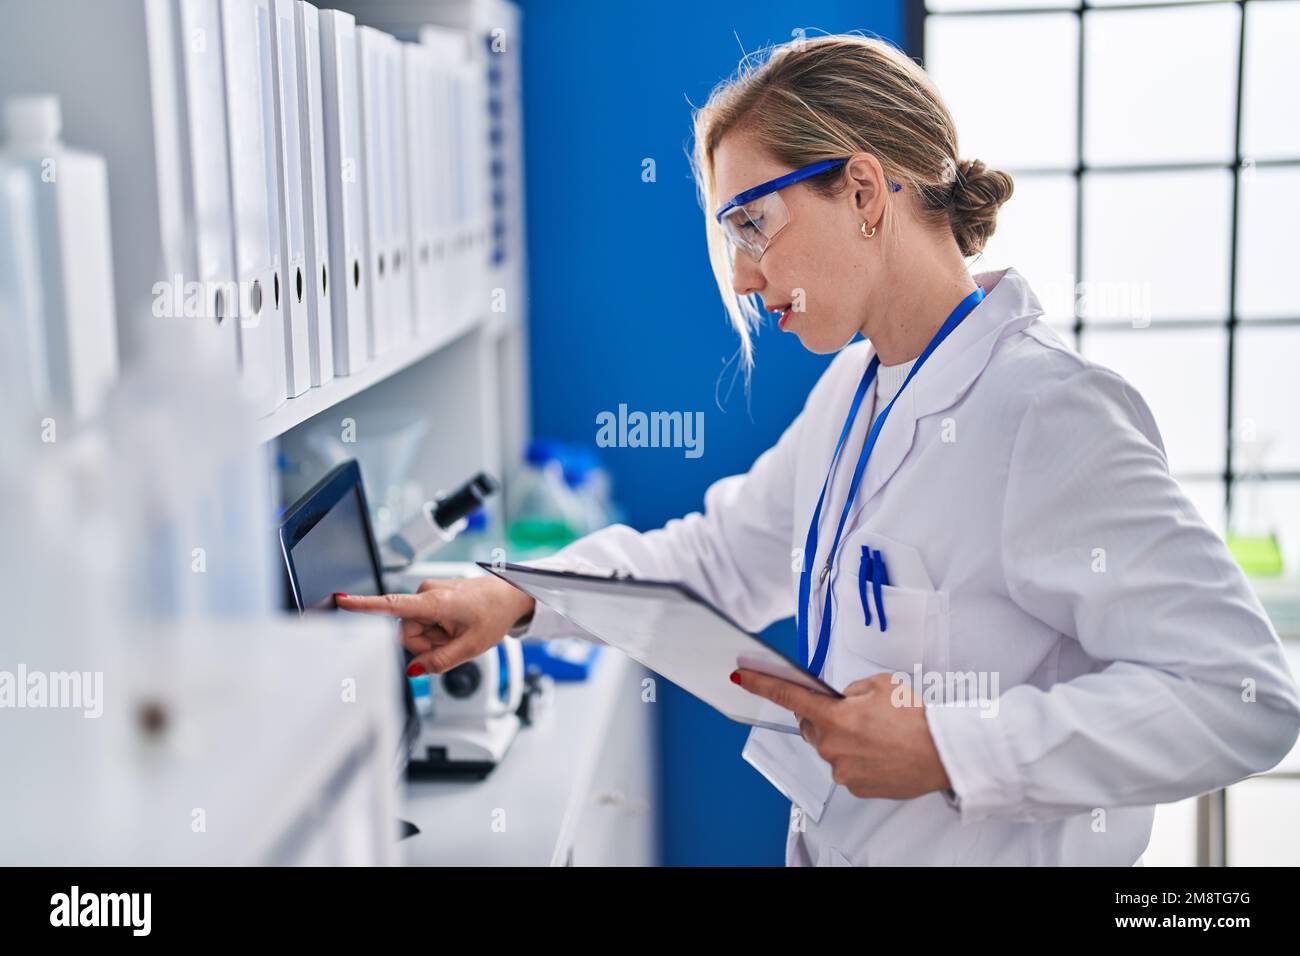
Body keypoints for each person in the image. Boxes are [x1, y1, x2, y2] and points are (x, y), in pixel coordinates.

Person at [339, 34, 1300, 866]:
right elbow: (718, 558)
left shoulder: (1046, 412)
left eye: (753, 225)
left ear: (865, 189)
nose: (748, 279)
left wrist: (952, 749)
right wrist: (516, 595)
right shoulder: (859, 385)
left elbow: (1241, 695)